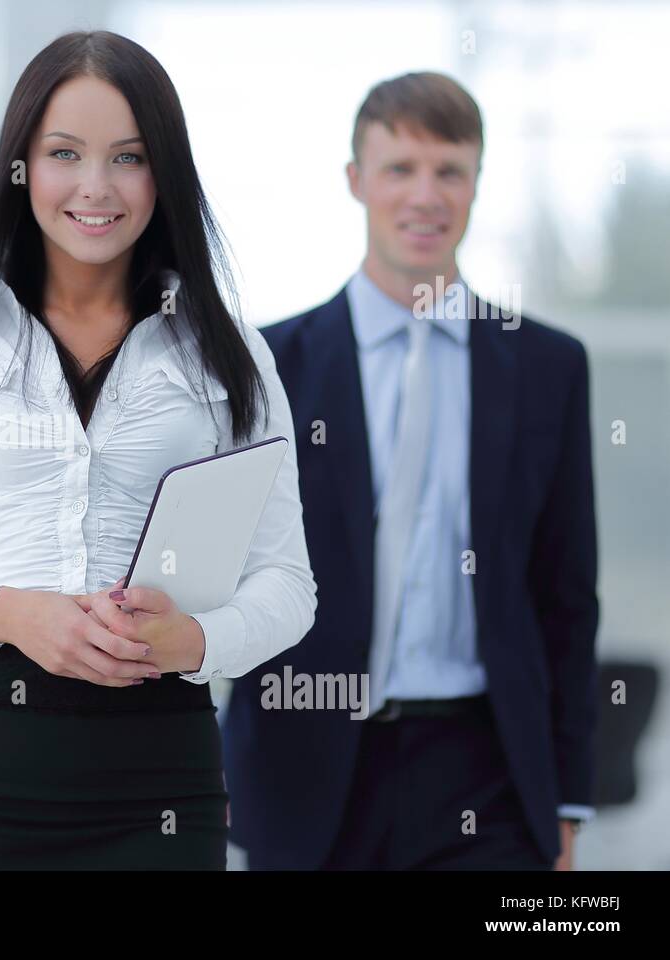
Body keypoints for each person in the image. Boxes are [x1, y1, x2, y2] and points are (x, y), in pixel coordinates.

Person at [0, 30, 316, 870]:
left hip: (159, 781)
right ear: (21, 166)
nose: (96, 188)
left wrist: (195, 641)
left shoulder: (228, 353)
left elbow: (288, 585)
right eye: (65, 153)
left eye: (128, 158)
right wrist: (11, 613)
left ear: (163, 173)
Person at [222, 72, 598, 870]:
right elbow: (224, 577)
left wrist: (566, 797)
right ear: (356, 181)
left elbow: (567, 594)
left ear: (476, 184)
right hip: (309, 768)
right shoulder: (266, 368)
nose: (425, 195)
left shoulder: (548, 367)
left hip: (487, 773)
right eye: (400, 168)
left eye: (449, 170)